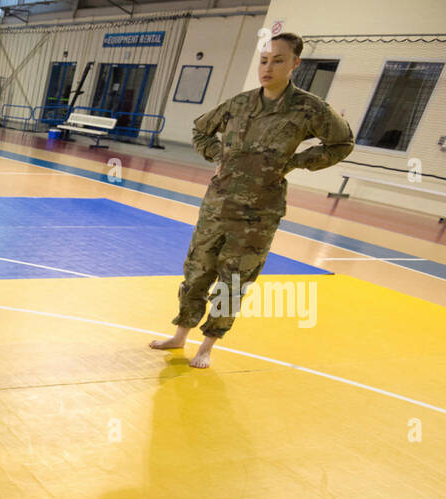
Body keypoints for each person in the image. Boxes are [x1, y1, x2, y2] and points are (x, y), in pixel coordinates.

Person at [149, 32, 353, 368]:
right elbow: (201, 130)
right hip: (217, 205)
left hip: (259, 213)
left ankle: (207, 346)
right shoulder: (239, 103)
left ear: (295, 64)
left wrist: (297, 162)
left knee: (234, 280)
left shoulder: (308, 109)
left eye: (278, 60)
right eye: (263, 60)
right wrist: (219, 155)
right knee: (197, 272)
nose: (268, 68)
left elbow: (341, 143)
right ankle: (180, 335)